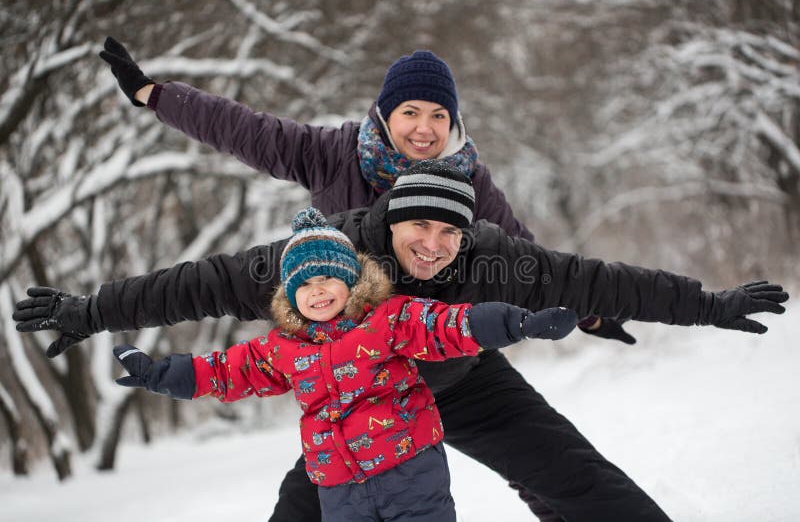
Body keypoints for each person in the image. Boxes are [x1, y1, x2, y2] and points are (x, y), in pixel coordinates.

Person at [13, 162, 789, 522]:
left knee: (584, 484)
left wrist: (710, 305)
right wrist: (92, 310)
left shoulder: (491, 256)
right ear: (388, 223)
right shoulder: (326, 257)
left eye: (449, 231)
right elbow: (200, 282)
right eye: (421, 225)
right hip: (359, 407)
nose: (435, 245)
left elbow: (598, 281)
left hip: (465, 385)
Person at [99, 37, 634, 520]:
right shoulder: (332, 155)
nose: (424, 128)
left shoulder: (469, 182)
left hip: (458, 370)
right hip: (358, 385)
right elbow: (243, 129)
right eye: (410, 112)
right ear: (384, 114)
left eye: (438, 116)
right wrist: (154, 95)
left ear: (453, 123)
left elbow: (527, 265)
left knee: (576, 479)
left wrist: (586, 309)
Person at [110, 206, 578, 522]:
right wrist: (158, 374)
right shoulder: (282, 347)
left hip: (408, 472)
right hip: (339, 487)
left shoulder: (389, 319)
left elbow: (451, 326)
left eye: (330, 277)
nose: (318, 290)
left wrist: (521, 324)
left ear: (351, 279)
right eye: (306, 283)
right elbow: (225, 371)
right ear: (291, 293)